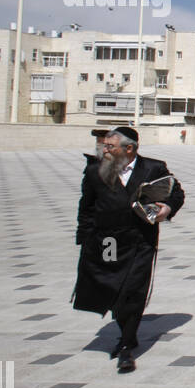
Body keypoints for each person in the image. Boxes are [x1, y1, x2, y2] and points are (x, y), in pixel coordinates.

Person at [72, 127, 184, 374]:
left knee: (133, 290)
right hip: (108, 242)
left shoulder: (152, 169)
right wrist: (85, 239)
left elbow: (176, 193)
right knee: (112, 287)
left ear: (130, 149)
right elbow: (87, 207)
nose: (106, 150)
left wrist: (166, 208)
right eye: (105, 146)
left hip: (139, 240)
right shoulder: (96, 170)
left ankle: (125, 347)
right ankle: (127, 331)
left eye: (111, 147)